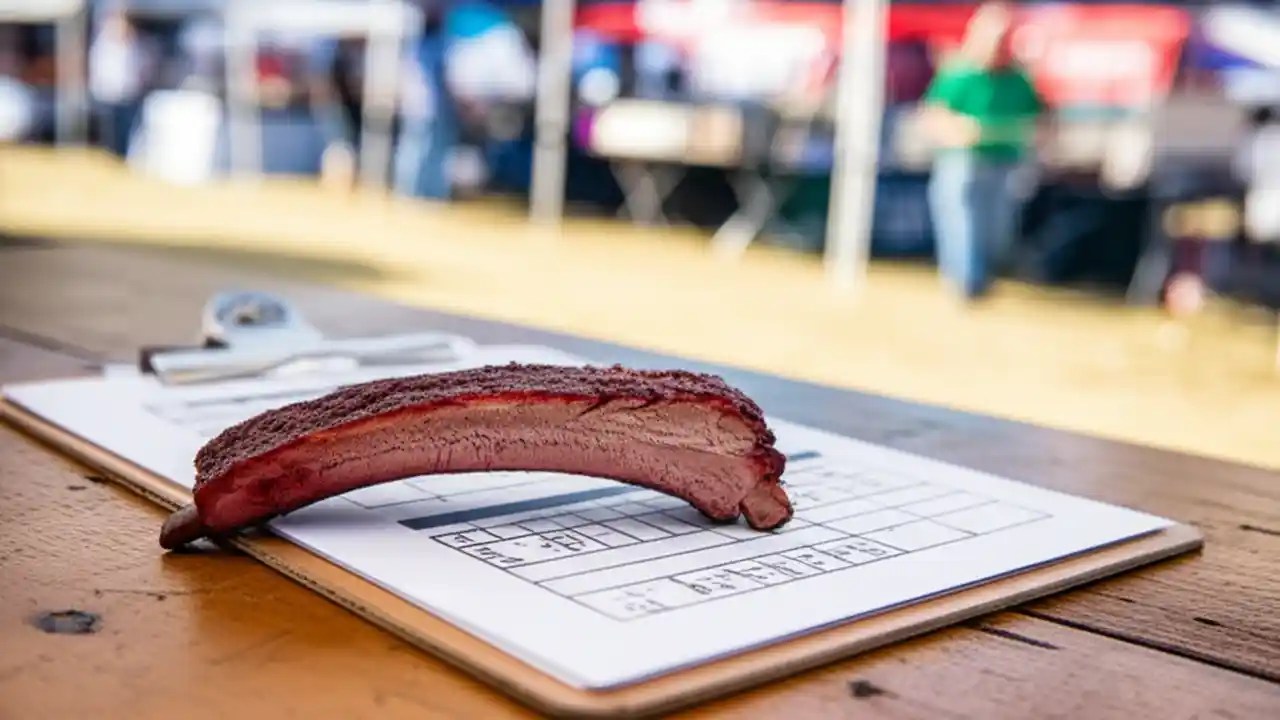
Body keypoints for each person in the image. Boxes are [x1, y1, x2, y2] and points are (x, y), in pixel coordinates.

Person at [920, 1, 1044, 299]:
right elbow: (932, 115)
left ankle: (980, 279)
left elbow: (1040, 119)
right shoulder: (958, 74)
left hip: (1005, 162)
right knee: (962, 224)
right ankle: (966, 283)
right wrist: (959, 131)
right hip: (962, 161)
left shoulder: (1019, 80)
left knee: (996, 228)